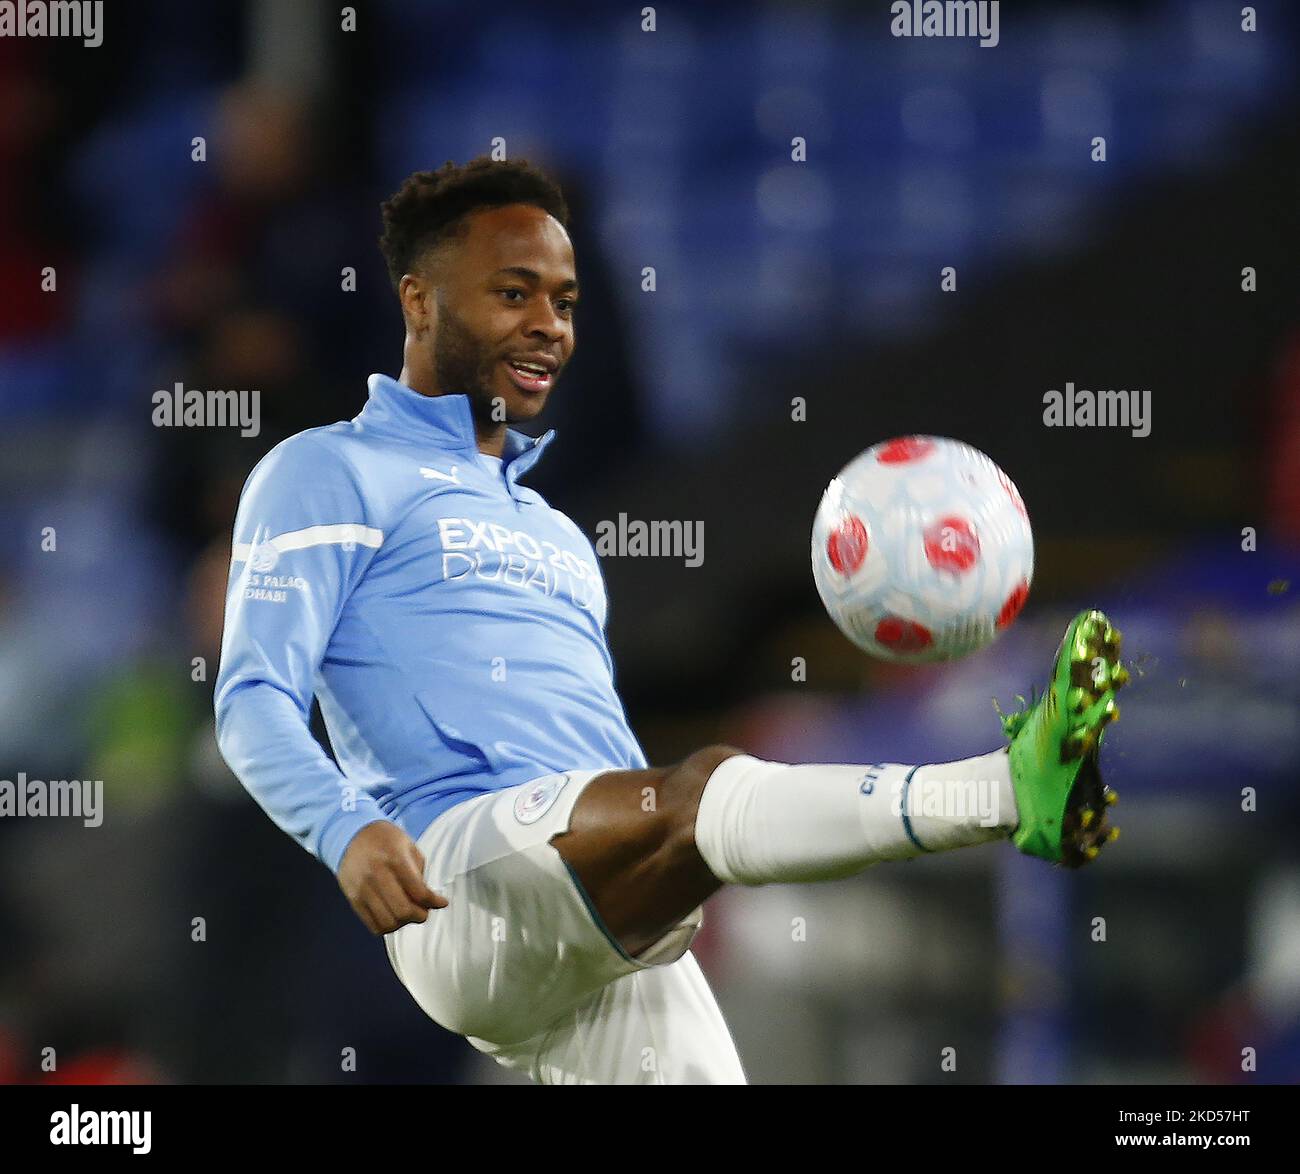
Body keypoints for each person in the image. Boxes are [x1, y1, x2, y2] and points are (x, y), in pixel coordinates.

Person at [215, 157, 1126, 1085]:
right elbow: (251, 696)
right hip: (460, 874)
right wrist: (344, 830)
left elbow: (588, 748)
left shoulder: (557, 535)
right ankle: (1007, 792)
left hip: (590, 909)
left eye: (566, 302)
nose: (548, 327)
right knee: (698, 795)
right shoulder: (325, 471)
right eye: (513, 293)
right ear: (419, 300)